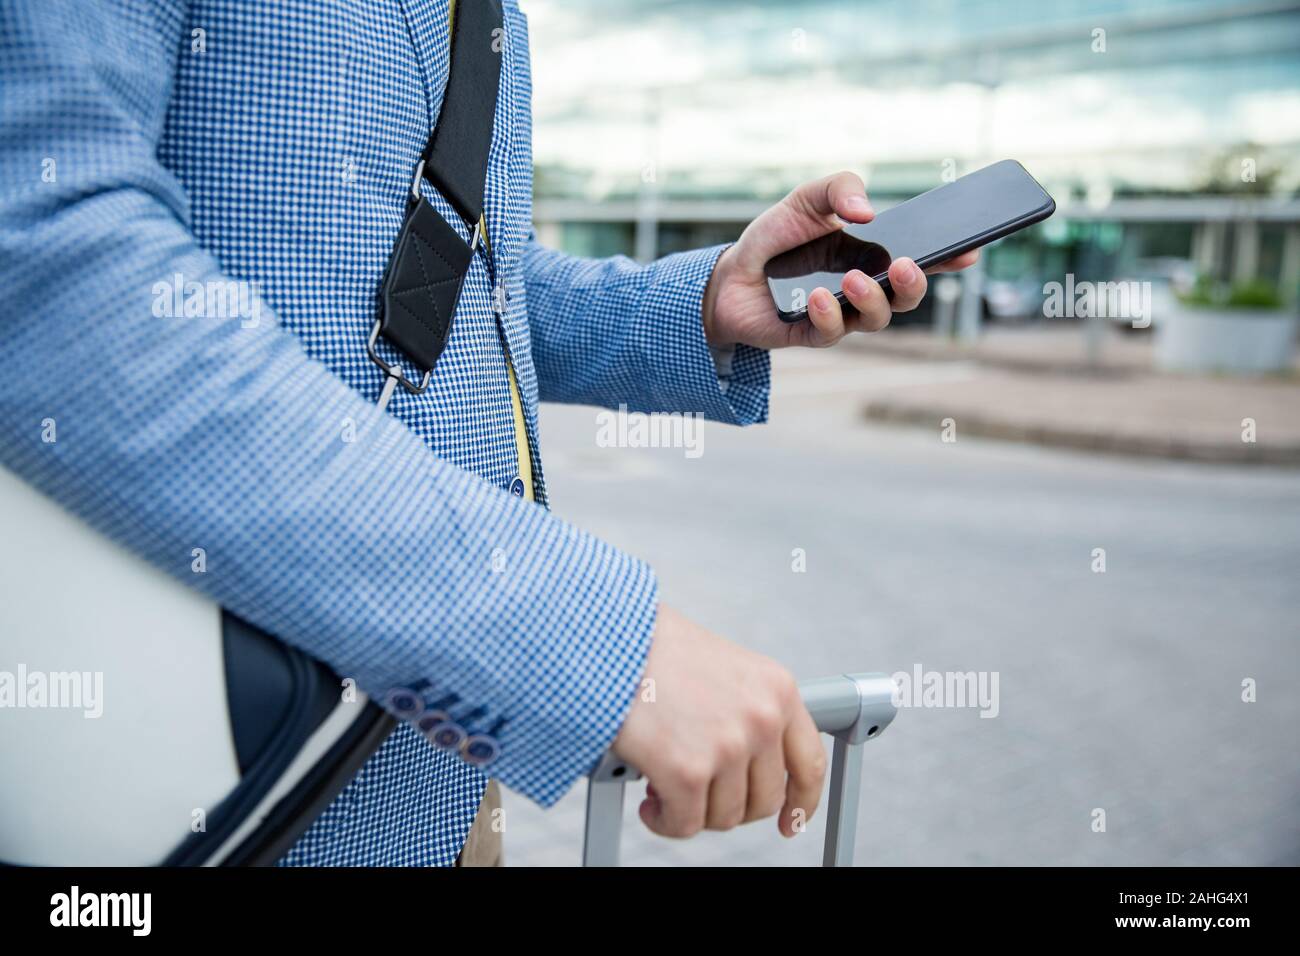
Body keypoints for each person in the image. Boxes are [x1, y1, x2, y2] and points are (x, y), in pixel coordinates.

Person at [0, 0, 976, 866]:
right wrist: (595, 646)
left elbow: (465, 289)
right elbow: (44, 276)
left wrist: (710, 302)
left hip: (444, 760)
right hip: (231, 773)